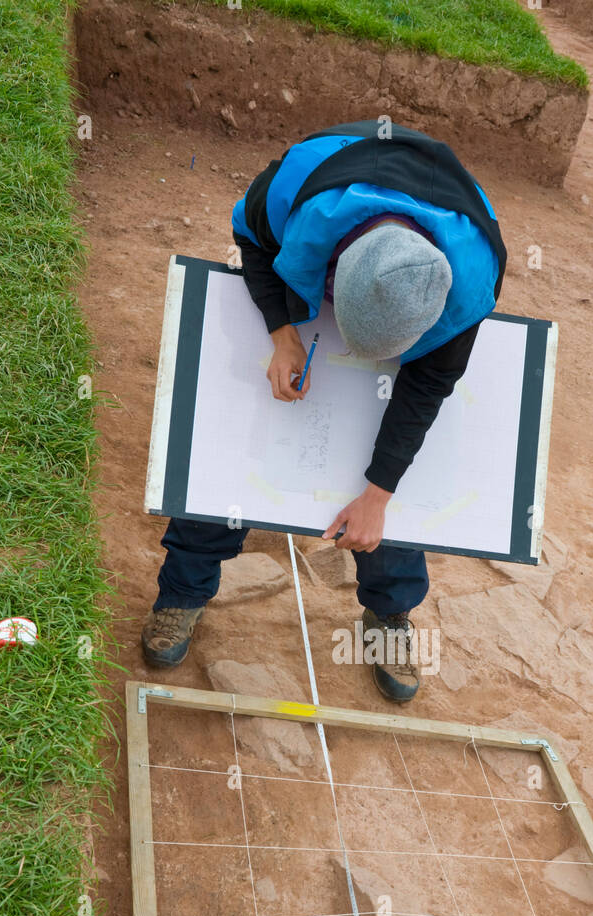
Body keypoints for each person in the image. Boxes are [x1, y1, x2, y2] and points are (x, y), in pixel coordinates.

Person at [141, 119, 506, 702]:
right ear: (334, 268)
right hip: (329, 214)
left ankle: (389, 615)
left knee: (391, 495)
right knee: (232, 438)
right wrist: (282, 329)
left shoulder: (470, 278)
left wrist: (378, 494)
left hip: (421, 256)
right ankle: (182, 590)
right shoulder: (296, 193)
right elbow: (252, 239)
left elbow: (427, 388)